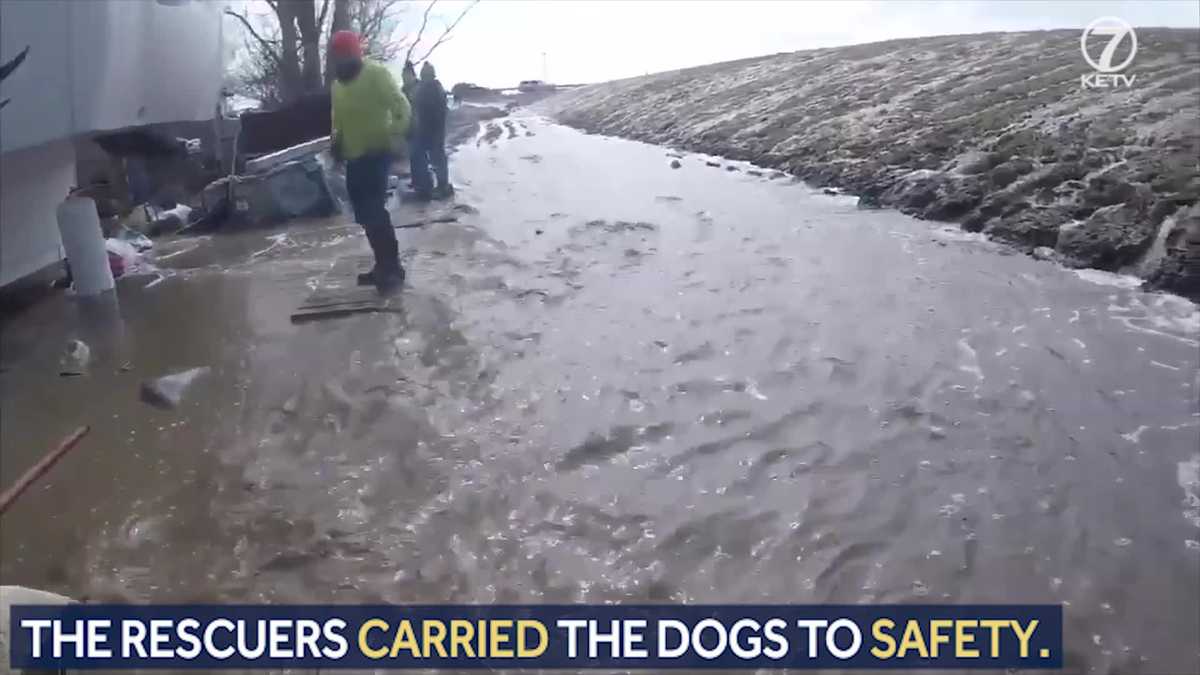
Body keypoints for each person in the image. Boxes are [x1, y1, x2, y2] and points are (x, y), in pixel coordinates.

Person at [329, 30, 411, 291]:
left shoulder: (376, 74)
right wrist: (336, 143)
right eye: (337, 55)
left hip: (378, 152)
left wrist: (396, 134)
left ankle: (393, 268)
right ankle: (381, 265)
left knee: (375, 210)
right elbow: (337, 121)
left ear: (356, 53)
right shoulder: (337, 86)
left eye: (346, 53)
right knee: (364, 214)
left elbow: (402, 106)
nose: (341, 59)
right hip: (354, 157)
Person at [410, 61, 451, 201]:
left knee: (437, 158)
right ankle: (427, 186)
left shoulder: (433, 89)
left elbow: (438, 111)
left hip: (433, 129)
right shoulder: (425, 88)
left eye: (426, 74)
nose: (425, 77)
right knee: (426, 157)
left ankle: (442, 186)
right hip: (426, 129)